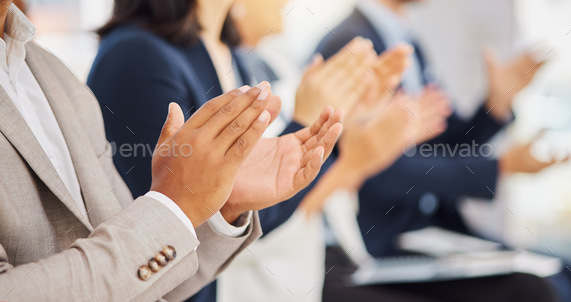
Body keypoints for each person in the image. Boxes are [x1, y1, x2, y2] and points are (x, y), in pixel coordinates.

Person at [0, 1, 344, 301]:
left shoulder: (50, 74)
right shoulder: (136, 55)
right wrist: (178, 207)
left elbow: (142, 270)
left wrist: (220, 206)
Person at [87, 0, 412, 301]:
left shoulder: (224, 51)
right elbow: (177, 230)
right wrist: (308, 124)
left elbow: (242, 217)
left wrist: (332, 126)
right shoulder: (139, 55)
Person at [315, 0, 571, 301]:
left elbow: (443, 143)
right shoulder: (350, 45)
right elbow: (376, 169)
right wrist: (499, 166)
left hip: (428, 228)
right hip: (379, 242)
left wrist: (496, 105)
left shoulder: (403, 35)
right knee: (540, 290)